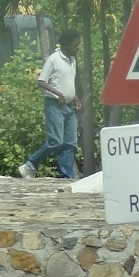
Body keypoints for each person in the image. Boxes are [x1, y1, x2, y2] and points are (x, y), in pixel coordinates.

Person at [19, 28, 82, 179]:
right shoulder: (54, 59)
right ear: (66, 45)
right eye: (75, 45)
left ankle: (66, 175)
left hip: (69, 106)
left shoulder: (72, 60)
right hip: (54, 105)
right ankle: (30, 165)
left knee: (70, 143)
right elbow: (41, 81)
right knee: (56, 141)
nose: (77, 48)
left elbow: (68, 83)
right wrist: (58, 94)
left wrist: (76, 98)